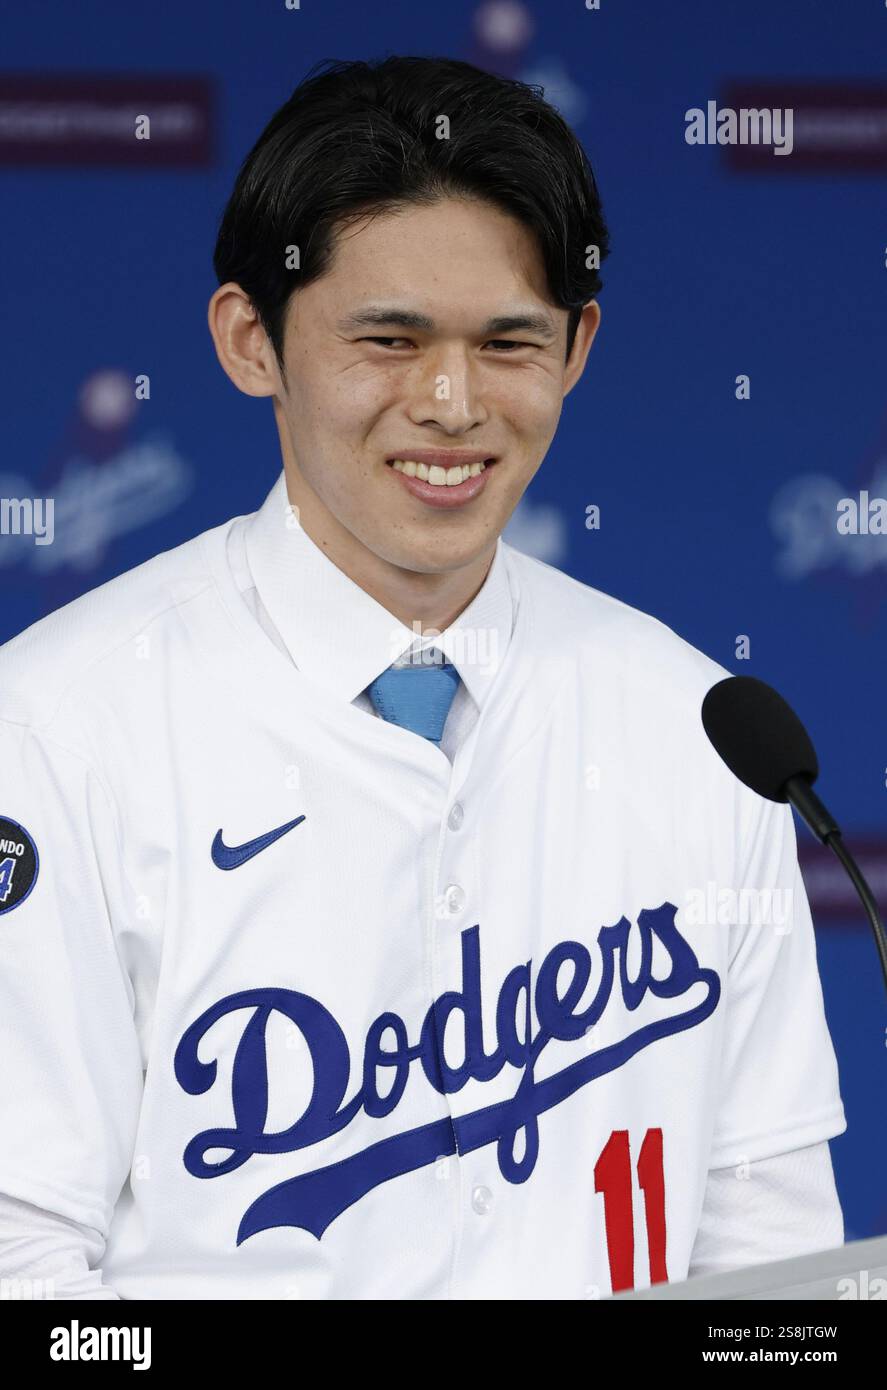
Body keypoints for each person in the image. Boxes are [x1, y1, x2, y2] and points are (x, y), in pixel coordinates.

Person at [0, 56, 845, 1300]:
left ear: (576, 348)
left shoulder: (696, 723)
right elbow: (24, 1249)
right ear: (252, 341)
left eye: (508, 342)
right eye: (386, 340)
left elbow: (771, 1251)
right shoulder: (59, 720)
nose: (450, 404)